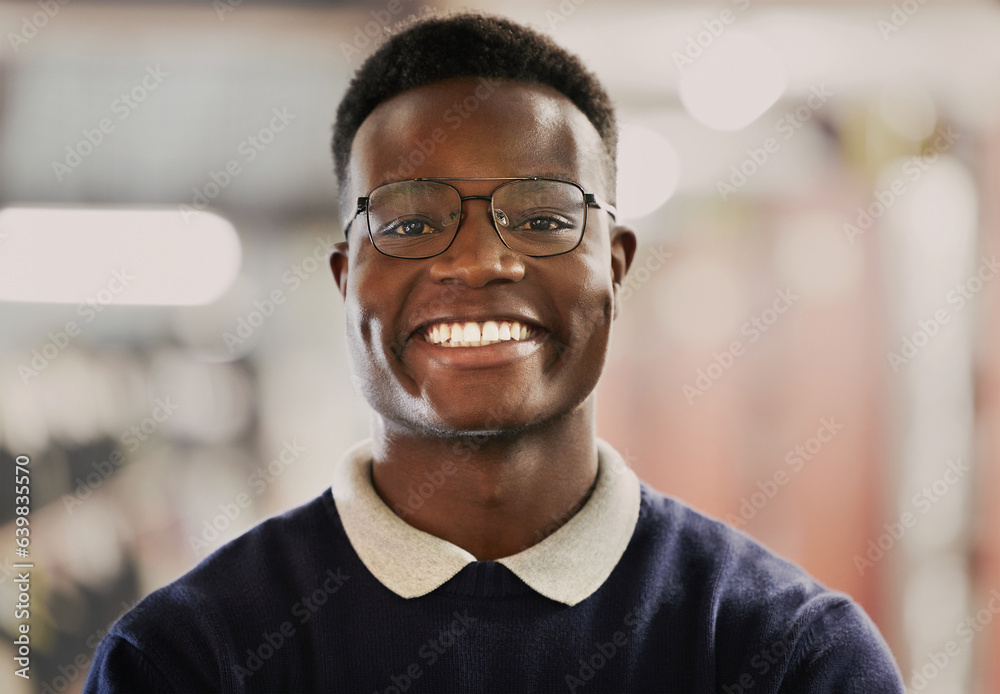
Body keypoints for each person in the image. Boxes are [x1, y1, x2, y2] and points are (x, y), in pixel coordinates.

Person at [85, 11, 905, 693]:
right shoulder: (187, 660)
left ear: (615, 267)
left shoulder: (792, 659)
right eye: (408, 221)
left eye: (544, 216)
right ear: (347, 279)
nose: (478, 261)